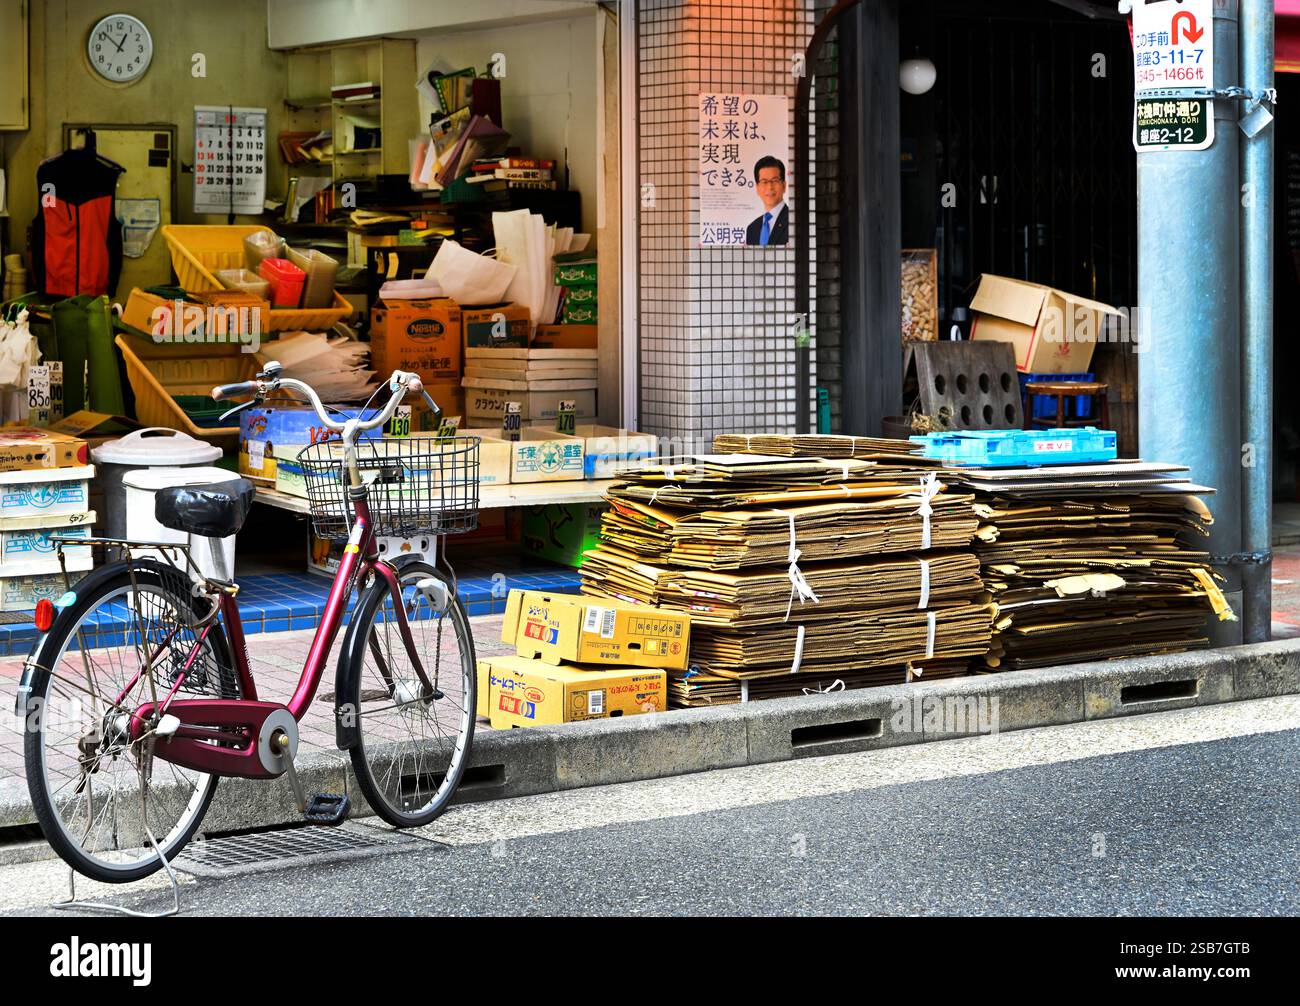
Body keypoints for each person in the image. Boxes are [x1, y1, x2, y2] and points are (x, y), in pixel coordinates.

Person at [746, 156, 789, 246]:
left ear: (784, 186)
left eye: (775, 180)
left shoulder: (793, 221)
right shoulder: (752, 229)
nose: (770, 187)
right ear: (757, 188)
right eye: (764, 182)